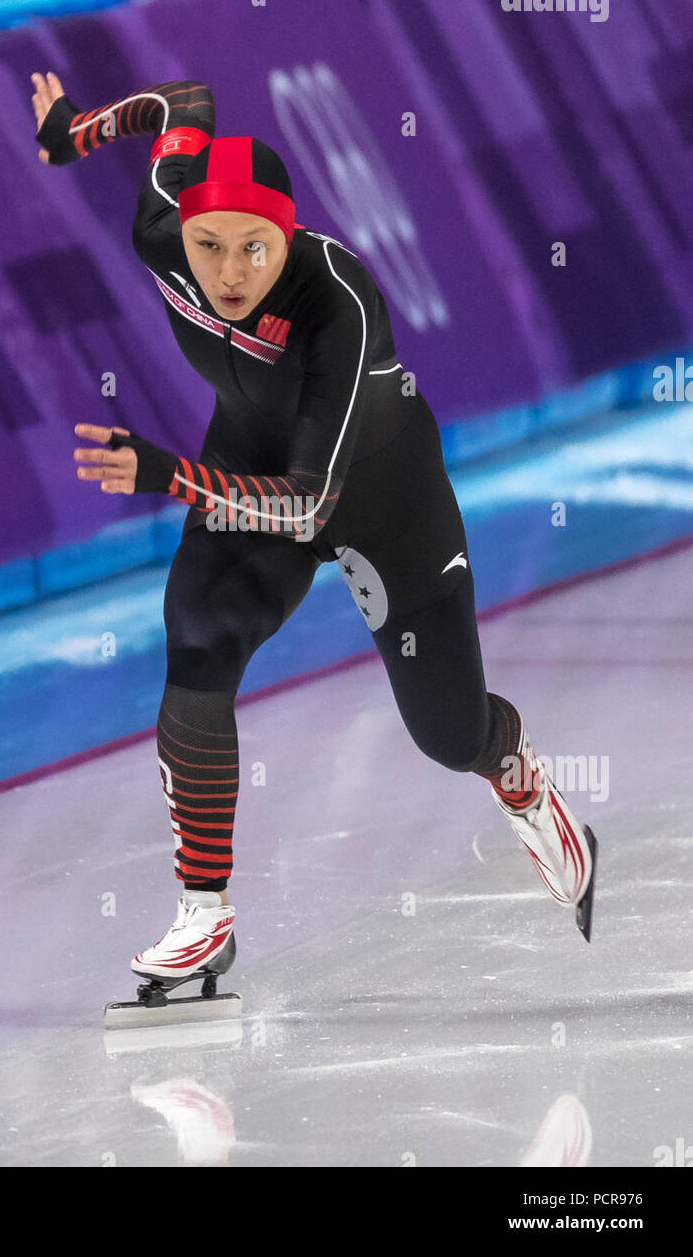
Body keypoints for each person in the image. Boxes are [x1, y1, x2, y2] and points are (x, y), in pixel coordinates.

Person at [31, 71, 596, 994]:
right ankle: (204, 915)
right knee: (199, 648)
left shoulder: (340, 300)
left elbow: (307, 508)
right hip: (248, 461)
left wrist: (169, 475)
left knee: (449, 735)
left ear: (287, 235)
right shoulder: (161, 227)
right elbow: (180, 106)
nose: (229, 273)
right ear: (181, 229)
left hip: (378, 497)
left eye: (254, 249)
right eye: (209, 247)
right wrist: (73, 133)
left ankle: (515, 773)